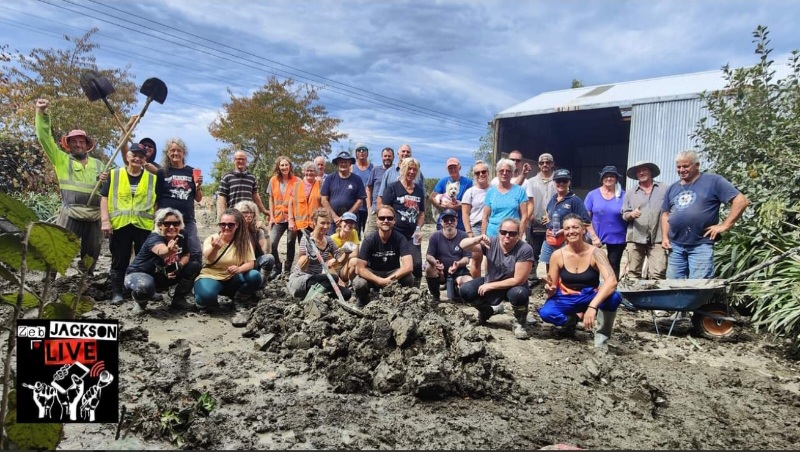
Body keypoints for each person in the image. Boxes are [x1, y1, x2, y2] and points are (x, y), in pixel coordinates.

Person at [34, 98, 105, 275]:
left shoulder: (99, 164)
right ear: (68, 144)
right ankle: (47, 285)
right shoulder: (61, 160)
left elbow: (112, 184)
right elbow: (44, 139)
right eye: (74, 141)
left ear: (87, 145)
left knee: (92, 253)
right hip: (71, 212)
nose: (78, 144)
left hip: (94, 215)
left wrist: (107, 178)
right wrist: (41, 114)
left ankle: (85, 284)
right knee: (58, 250)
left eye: (81, 142)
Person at [538, 214, 623, 350]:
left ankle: (601, 338)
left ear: (583, 229)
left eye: (575, 227)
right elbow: (553, 287)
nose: (571, 231)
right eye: (567, 228)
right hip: (567, 296)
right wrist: (550, 289)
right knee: (546, 313)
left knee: (614, 297)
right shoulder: (558, 255)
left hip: (590, 296)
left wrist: (592, 307)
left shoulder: (596, 253)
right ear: (563, 232)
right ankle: (572, 320)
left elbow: (611, 281)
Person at [661, 150, 749, 279]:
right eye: (678, 167)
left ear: (697, 165)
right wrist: (665, 238)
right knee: (672, 286)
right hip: (676, 246)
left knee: (698, 286)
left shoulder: (713, 181)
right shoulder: (673, 187)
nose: (681, 170)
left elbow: (741, 201)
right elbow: (666, 214)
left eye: (685, 166)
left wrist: (725, 225)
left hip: (700, 244)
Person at [100, 144, 156, 304]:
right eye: (134, 155)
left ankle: (144, 291)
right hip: (120, 225)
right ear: (127, 156)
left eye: (141, 156)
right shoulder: (114, 174)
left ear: (145, 159)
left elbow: (156, 202)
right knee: (119, 259)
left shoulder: (152, 178)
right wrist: (105, 221)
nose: (137, 158)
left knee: (145, 260)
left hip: (143, 225)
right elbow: (104, 197)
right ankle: (117, 293)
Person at [459, 218, 533, 340]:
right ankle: (486, 311)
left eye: (512, 233)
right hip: (491, 280)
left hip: (513, 286)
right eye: (503, 232)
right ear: (499, 232)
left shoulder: (525, 249)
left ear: (518, 235)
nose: (507, 236)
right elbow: (463, 245)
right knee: (466, 290)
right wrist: (476, 239)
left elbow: (518, 280)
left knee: (519, 294)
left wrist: (490, 286)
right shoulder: (491, 243)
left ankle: (520, 322)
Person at [124, 208, 200, 313]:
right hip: (139, 274)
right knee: (144, 286)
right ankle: (140, 302)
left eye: (176, 223)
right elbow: (161, 251)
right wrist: (169, 250)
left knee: (194, 265)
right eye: (167, 224)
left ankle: (178, 300)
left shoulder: (182, 235)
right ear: (160, 225)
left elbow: (186, 254)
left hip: (163, 274)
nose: (172, 227)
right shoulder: (154, 238)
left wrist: (180, 266)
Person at [194, 209, 261, 310]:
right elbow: (209, 258)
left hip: (233, 278)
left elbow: (250, 263)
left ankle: (239, 298)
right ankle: (204, 293)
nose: (226, 227)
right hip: (212, 276)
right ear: (219, 225)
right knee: (205, 298)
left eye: (231, 225)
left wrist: (239, 269)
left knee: (255, 276)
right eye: (223, 224)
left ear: (237, 225)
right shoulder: (212, 239)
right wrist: (215, 248)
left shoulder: (243, 242)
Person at [352, 206, 415, 307]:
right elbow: (359, 269)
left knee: (409, 278)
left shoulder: (400, 238)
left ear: (394, 221)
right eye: (382, 218)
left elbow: (408, 266)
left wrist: (389, 280)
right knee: (359, 283)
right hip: (373, 273)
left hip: (392, 273)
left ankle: (400, 301)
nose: (386, 221)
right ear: (377, 221)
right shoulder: (369, 239)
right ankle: (363, 300)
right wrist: (379, 281)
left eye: (389, 218)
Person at [154, 137, 203, 264]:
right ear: (168, 153)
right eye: (172, 150)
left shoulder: (191, 171)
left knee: (195, 251)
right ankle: (166, 279)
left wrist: (198, 186)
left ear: (184, 153)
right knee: (166, 252)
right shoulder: (162, 172)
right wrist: (155, 220)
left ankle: (187, 280)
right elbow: (157, 198)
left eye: (179, 150)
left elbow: (198, 198)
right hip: (166, 221)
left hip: (187, 219)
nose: (175, 153)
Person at [287, 208, 352, 301]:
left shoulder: (329, 240)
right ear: (314, 222)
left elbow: (340, 260)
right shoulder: (307, 239)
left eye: (328, 223)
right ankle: (308, 302)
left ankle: (320, 299)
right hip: (301, 280)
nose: (326, 226)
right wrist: (309, 255)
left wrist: (346, 253)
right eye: (322, 223)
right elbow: (302, 267)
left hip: (318, 282)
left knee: (346, 293)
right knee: (332, 278)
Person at [378, 157, 425, 281]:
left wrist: (419, 228)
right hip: (394, 233)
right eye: (409, 169)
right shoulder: (392, 188)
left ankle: (416, 291)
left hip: (412, 234)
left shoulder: (419, 191)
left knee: (416, 264)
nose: (411, 172)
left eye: (414, 170)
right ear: (403, 169)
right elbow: (385, 209)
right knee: (389, 264)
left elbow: (421, 213)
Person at [539, 169, 593, 272]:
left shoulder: (575, 200)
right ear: (554, 182)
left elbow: (585, 221)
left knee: (565, 269)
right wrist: (548, 221)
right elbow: (548, 212)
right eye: (558, 181)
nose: (561, 183)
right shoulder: (553, 199)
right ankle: (552, 287)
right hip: (550, 241)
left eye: (564, 181)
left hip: (567, 241)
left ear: (569, 182)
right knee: (549, 269)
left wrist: (564, 230)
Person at [622, 161, 668, 280]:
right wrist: (631, 214)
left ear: (651, 171)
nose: (641, 173)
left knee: (658, 274)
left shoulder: (664, 189)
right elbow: (624, 214)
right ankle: (634, 298)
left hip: (658, 238)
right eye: (638, 171)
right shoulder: (631, 193)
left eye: (644, 170)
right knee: (633, 274)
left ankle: (656, 299)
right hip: (635, 237)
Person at [584, 165, 627, 278]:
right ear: (602, 178)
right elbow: (585, 218)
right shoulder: (592, 195)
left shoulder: (624, 195)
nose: (609, 179)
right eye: (606, 176)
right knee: (591, 263)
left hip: (617, 237)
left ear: (616, 179)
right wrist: (593, 237)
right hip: (595, 235)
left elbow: (628, 214)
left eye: (612, 176)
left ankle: (611, 291)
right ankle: (591, 290)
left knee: (613, 265)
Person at [425, 209, 472, 301]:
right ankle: (435, 295)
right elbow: (428, 255)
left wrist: (458, 263)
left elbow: (467, 258)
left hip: (458, 271)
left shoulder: (464, 236)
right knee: (429, 268)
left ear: (457, 222)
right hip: (440, 271)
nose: (449, 222)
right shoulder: (435, 236)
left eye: (452, 220)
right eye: (446, 220)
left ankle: (458, 293)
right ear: (441, 222)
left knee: (468, 281)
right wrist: (435, 262)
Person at [523, 153, 557, 275]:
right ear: (538, 165)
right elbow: (525, 200)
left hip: (553, 223)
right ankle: (531, 277)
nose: (545, 165)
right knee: (532, 251)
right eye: (542, 163)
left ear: (552, 164)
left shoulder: (558, 181)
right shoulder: (530, 182)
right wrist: (529, 214)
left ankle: (552, 277)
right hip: (534, 222)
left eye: (548, 162)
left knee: (553, 252)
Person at [267, 156, 300, 279]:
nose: (284, 167)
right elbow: (271, 199)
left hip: (293, 218)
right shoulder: (273, 180)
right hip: (278, 217)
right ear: (278, 167)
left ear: (290, 166)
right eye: (282, 165)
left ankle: (287, 268)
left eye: (286, 165)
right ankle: (277, 266)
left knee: (291, 243)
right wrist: (271, 216)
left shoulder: (297, 181)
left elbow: (299, 200)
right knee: (271, 243)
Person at [321, 151, 366, 236]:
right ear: (337, 164)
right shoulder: (330, 178)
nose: (343, 164)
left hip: (351, 221)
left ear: (350, 164)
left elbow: (360, 201)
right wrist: (335, 217)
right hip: (333, 221)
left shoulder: (357, 179)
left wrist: (346, 217)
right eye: (341, 162)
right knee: (332, 245)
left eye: (346, 162)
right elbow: (324, 200)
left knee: (350, 246)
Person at [216, 150, 270, 219]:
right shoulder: (227, 177)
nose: (241, 161)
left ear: (246, 161)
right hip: (233, 215)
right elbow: (221, 198)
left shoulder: (252, 177)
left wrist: (264, 211)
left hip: (248, 216)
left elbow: (255, 195)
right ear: (234, 161)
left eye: (243, 159)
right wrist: (223, 217)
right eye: (238, 159)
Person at [482, 158, 528, 238]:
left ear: (512, 174)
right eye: (501, 171)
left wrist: (519, 236)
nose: (504, 173)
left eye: (508, 171)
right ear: (497, 173)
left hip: (511, 236)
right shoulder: (491, 192)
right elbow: (485, 217)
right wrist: (483, 235)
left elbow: (524, 216)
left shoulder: (520, 191)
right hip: (492, 235)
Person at [234, 200, 275, 285]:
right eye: (245, 212)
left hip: (253, 262)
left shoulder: (256, 231)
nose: (249, 215)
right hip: (237, 264)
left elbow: (267, 252)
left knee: (269, 258)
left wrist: (266, 232)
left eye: (251, 212)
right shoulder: (233, 229)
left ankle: (261, 285)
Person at [462, 161, 490, 277]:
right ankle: (476, 284)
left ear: (488, 173)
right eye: (477, 173)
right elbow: (465, 214)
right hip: (476, 227)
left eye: (483, 172)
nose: (481, 174)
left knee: (491, 257)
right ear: (474, 175)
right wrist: (469, 232)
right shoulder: (470, 192)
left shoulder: (494, 190)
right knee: (476, 257)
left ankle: (490, 284)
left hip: (491, 226)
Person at [430, 157, 473, 231]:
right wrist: (442, 205)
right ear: (447, 169)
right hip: (444, 223)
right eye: (450, 168)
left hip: (461, 224)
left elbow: (471, 203)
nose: (453, 170)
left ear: (459, 167)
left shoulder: (468, 182)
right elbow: (431, 198)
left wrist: (453, 207)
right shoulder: (443, 181)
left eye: (455, 167)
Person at [288, 160, 323, 239]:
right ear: (303, 172)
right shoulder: (296, 185)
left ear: (316, 172)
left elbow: (324, 203)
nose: (309, 173)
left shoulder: (321, 184)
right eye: (307, 170)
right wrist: (291, 220)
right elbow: (290, 204)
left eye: (312, 171)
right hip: (301, 224)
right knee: (303, 248)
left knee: (315, 247)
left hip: (315, 223)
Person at [364, 147, 394, 235]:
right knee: (369, 235)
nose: (387, 158)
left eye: (389, 156)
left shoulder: (396, 171)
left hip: (391, 210)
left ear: (393, 157)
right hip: (375, 209)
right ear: (382, 157)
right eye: (385, 156)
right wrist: (369, 206)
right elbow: (368, 188)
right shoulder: (375, 170)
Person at [330, 211, 360, 283]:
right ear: (340, 223)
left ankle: (348, 283)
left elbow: (355, 254)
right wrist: (346, 252)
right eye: (346, 221)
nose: (349, 224)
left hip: (344, 266)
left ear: (354, 225)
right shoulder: (332, 239)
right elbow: (330, 261)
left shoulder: (353, 232)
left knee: (355, 261)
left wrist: (341, 253)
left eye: (351, 223)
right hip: (333, 269)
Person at [351, 143, 373, 239]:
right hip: (355, 206)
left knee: (369, 234)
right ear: (356, 154)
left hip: (368, 207)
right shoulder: (352, 168)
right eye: (359, 150)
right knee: (355, 234)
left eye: (364, 150)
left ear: (367, 153)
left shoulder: (373, 168)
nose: (361, 152)